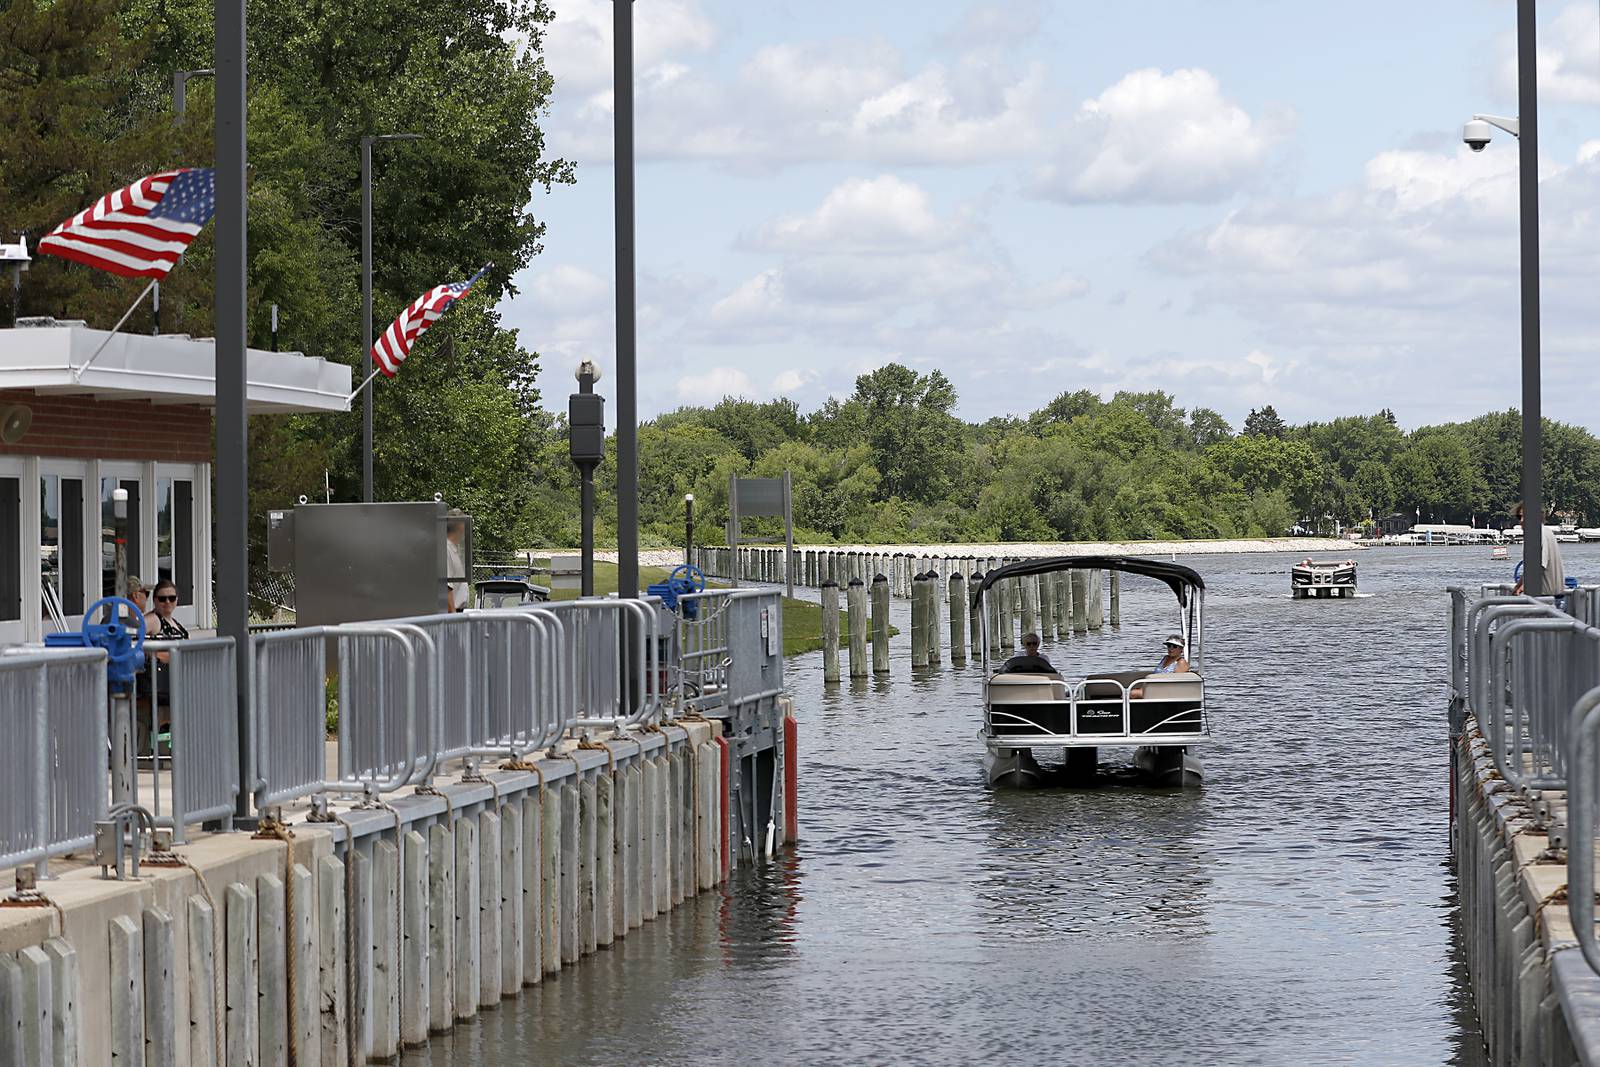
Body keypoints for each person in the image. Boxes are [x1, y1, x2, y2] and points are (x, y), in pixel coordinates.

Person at [1512, 503, 1566, 597]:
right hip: (1550, 596)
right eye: (1519, 517)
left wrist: (1524, 587)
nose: (1521, 521)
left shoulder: (1537, 534)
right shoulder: (1545, 531)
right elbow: (1531, 567)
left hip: (1545, 598)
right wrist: (1519, 585)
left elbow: (1539, 566)